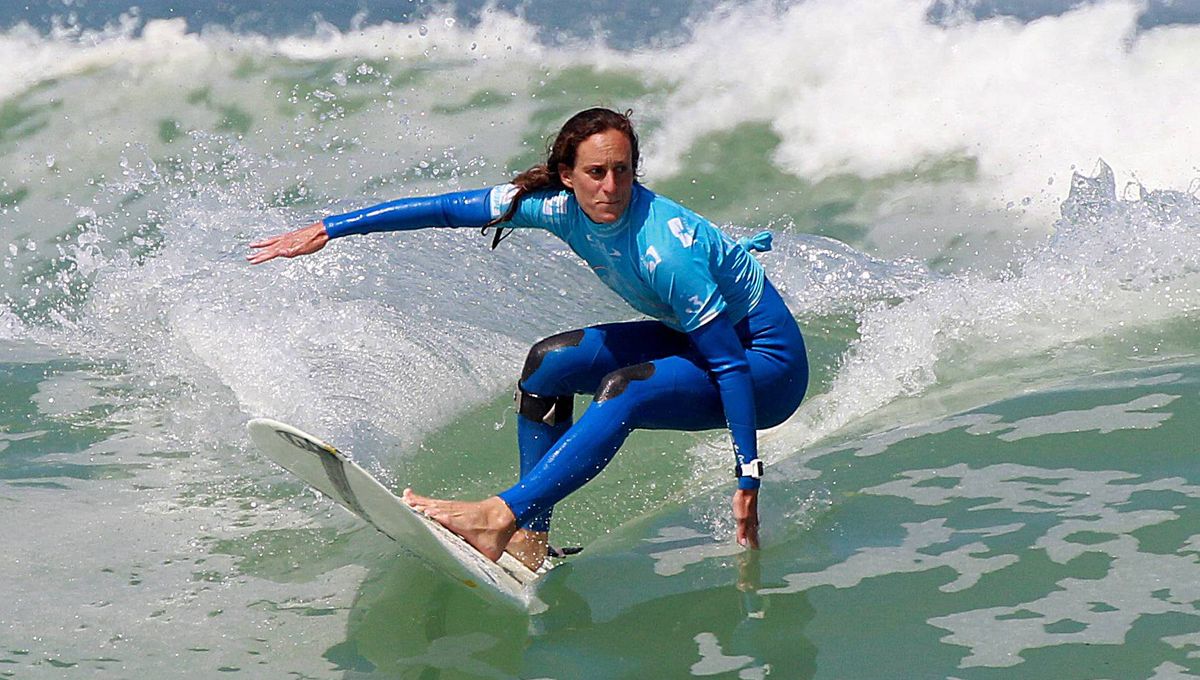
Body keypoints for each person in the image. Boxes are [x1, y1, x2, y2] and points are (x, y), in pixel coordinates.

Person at [248, 108, 808, 571]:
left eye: (622, 171)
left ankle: (497, 516)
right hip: (697, 345)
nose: (610, 187)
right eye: (595, 172)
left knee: (624, 388)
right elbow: (445, 209)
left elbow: (731, 368)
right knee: (549, 364)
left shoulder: (668, 251)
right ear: (566, 174)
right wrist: (329, 228)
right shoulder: (555, 208)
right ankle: (528, 539)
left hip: (766, 370)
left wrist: (747, 475)